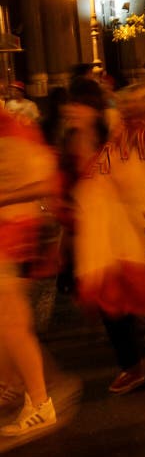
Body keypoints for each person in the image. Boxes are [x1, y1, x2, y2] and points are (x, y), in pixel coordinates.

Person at [0, 107, 59, 438]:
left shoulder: (16, 132)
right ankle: (11, 385)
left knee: (12, 324)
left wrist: (4, 196)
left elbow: (45, 183)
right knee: (7, 325)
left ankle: (39, 404)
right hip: (10, 232)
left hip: (16, 233)